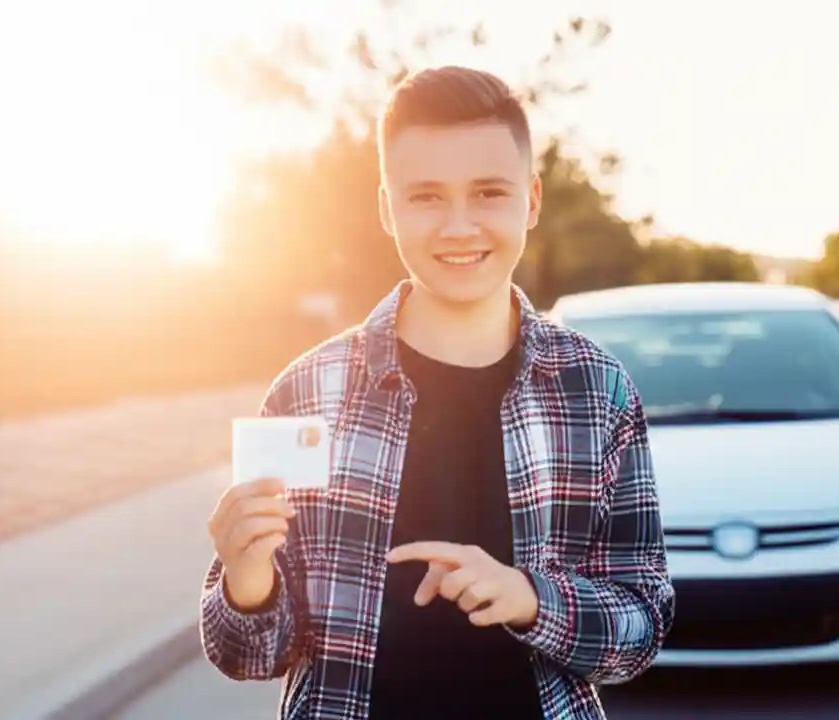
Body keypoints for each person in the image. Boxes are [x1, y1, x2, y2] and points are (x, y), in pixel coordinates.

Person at [201, 64, 674, 720]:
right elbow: (248, 656)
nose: (458, 226)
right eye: (425, 196)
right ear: (386, 210)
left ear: (531, 201)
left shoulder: (598, 391)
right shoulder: (307, 392)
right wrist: (247, 582)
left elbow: (642, 629)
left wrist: (529, 598)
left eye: (488, 193)